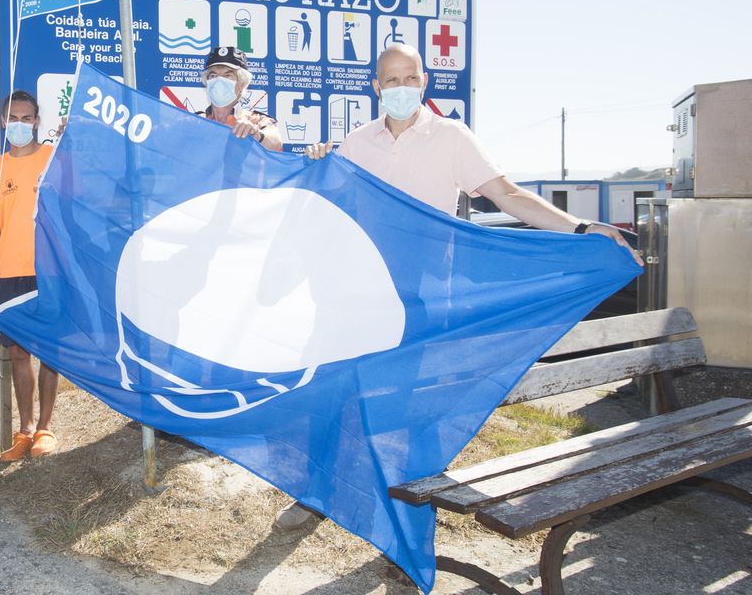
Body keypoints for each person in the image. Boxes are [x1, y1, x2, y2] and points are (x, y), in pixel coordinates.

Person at [278, 42, 643, 530]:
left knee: (409, 405)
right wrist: (321, 163)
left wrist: (580, 229)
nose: (401, 87)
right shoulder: (357, 142)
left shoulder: (450, 137)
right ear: (376, 87)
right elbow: (327, 204)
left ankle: (404, 509)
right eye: (391, 79)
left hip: (423, 296)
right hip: (357, 293)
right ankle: (316, 494)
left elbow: (507, 195)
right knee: (334, 392)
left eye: (410, 78)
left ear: (424, 82)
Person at [0, 90, 58, 460]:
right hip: (10, 275)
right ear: (2, 122)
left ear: (37, 121)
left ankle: (45, 428)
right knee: (19, 353)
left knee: (50, 353)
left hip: (51, 271)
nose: (20, 125)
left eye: (27, 118)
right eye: (13, 118)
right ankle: (24, 431)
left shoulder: (53, 157)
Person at [196, 46, 283, 152]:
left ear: (241, 85)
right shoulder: (195, 120)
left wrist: (256, 134)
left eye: (227, 76)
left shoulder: (256, 120)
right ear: (207, 83)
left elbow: (275, 141)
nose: (219, 80)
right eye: (213, 75)